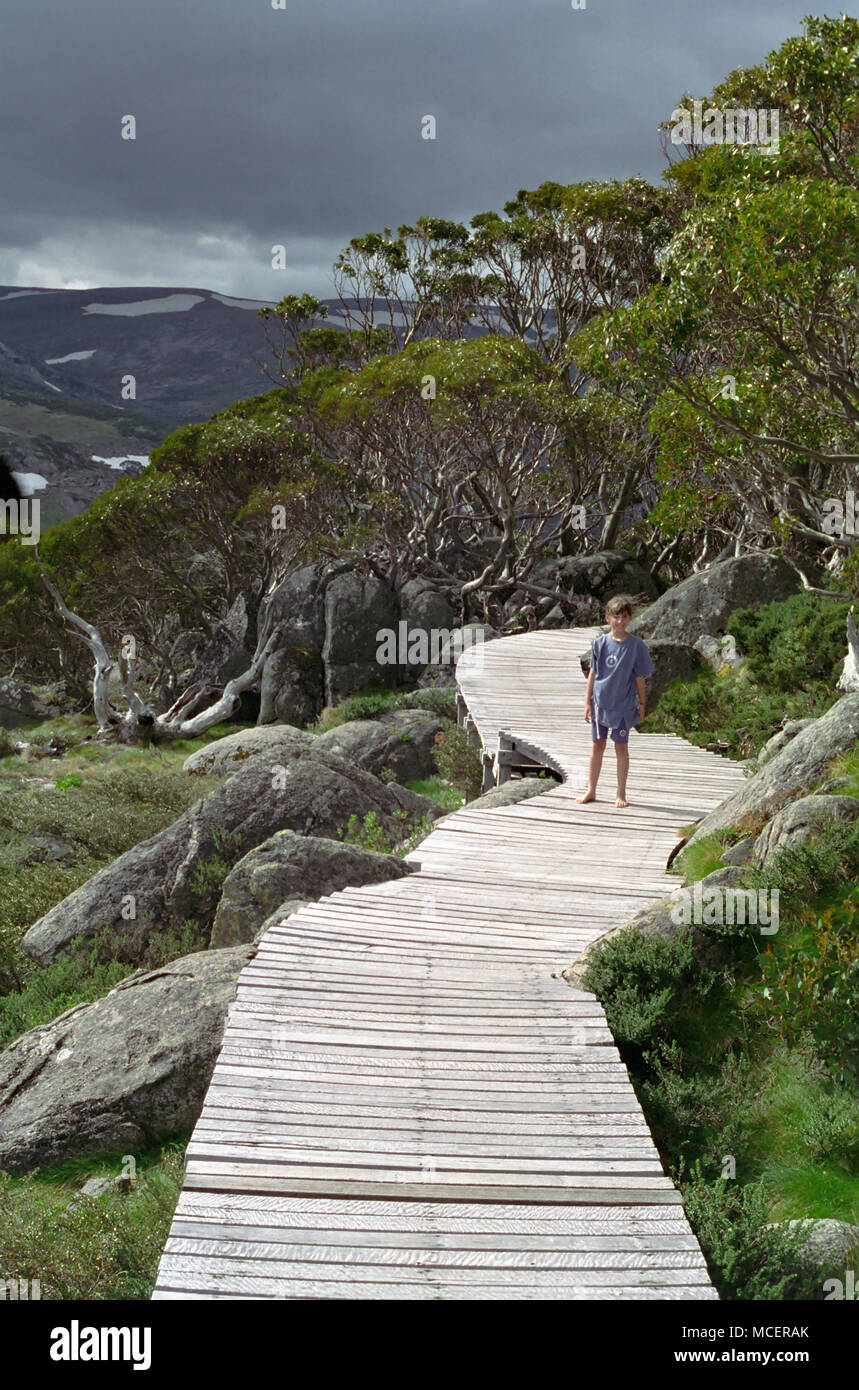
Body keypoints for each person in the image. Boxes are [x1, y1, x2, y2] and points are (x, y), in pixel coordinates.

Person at [576, 594, 654, 808]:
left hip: (623, 706)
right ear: (608, 618)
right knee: (597, 747)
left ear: (630, 619)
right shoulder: (599, 644)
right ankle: (591, 790)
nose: (620, 621)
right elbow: (592, 673)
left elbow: (640, 678)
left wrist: (642, 704)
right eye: (616, 616)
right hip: (600, 705)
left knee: (621, 748)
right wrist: (587, 702)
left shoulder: (636, 646)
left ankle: (621, 794)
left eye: (625, 617)